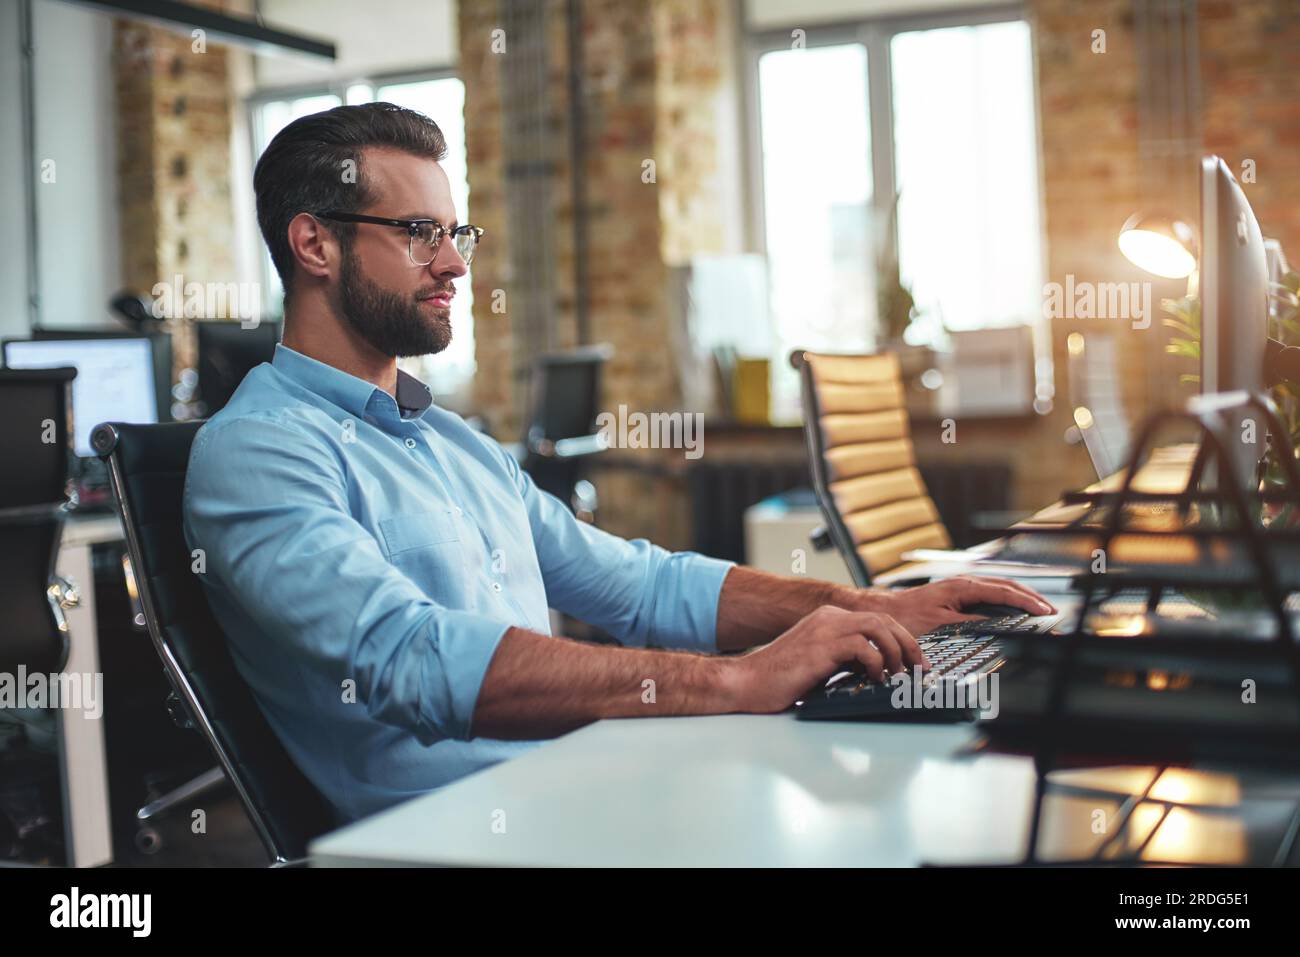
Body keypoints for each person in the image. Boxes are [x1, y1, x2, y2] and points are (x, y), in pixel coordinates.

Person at [184, 103, 1053, 821]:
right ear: (315, 245)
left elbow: (641, 587)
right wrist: (744, 681)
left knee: (951, 782)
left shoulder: (452, 443)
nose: (453, 263)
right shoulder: (258, 451)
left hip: (580, 789)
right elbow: (412, 656)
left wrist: (861, 607)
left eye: (456, 233)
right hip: (474, 830)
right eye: (419, 232)